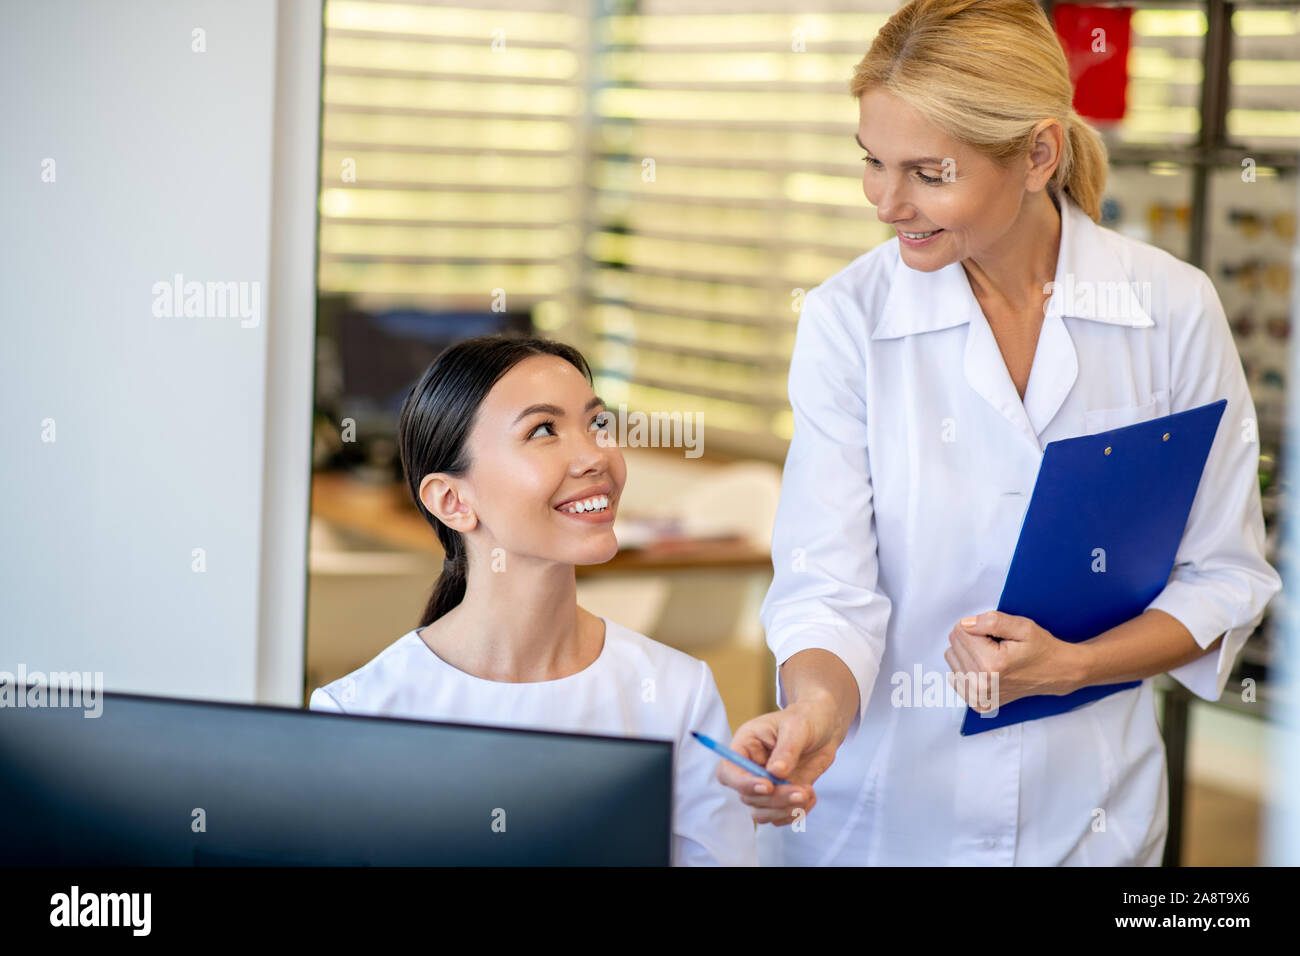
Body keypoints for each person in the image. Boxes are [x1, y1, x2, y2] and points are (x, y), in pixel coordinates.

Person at [717, 0, 1283, 865]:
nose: (887, 203)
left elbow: (1224, 576)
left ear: (1038, 154)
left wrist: (1071, 666)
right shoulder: (849, 320)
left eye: (928, 173)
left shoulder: (1170, 307)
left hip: (1090, 814)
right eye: (873, 163)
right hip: (886, 812)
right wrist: (815, 716)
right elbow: (827, 584)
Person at [310, 334, 758, 866]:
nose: (595, 455)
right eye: (543, 430)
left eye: (596, 424)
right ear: (453, 500)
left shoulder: (676, 693)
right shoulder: (361, 713)